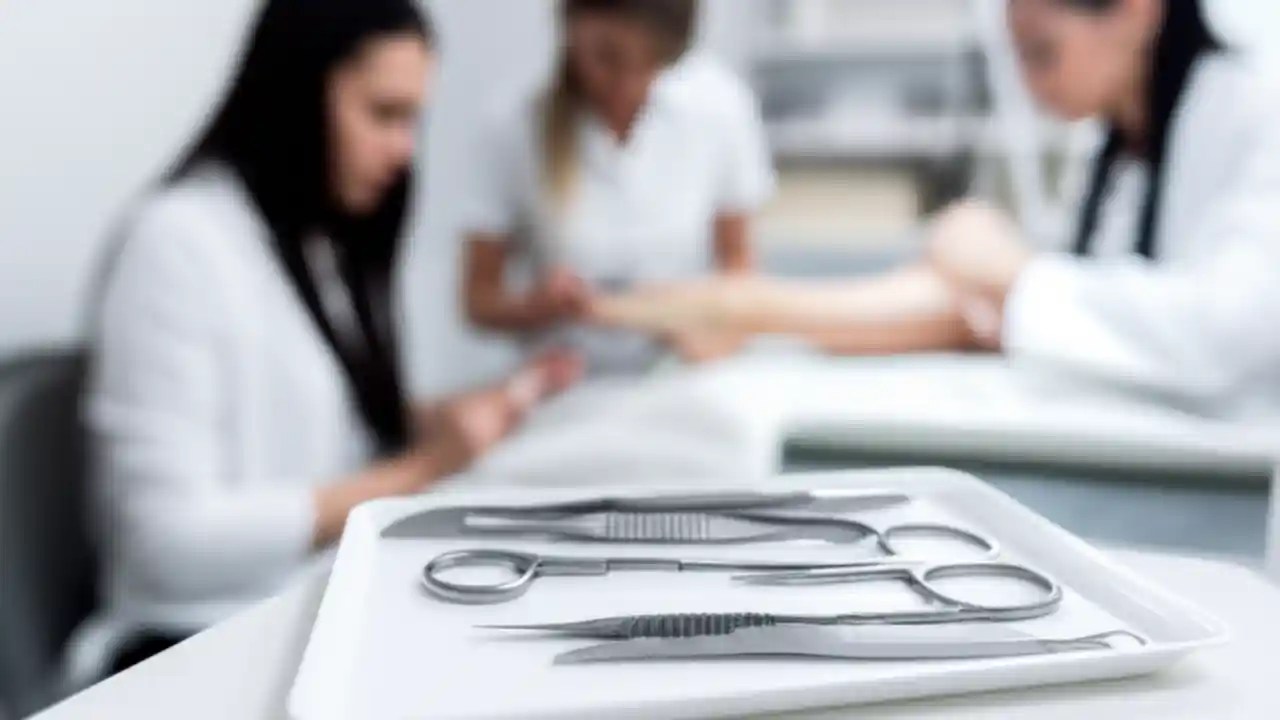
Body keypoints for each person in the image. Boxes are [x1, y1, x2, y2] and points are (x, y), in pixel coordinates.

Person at [74, 0, 582, 680]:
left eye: (413, 121)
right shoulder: (175, 244)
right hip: (193, 642)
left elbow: (326, 431)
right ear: (295, 95)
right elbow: (165, 543)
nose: (405, 151)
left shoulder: (317, 244)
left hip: (307, 612)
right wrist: (425, 465)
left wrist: (448, 421)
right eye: (383, 114)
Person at [591, 0, 1280, 418]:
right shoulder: (1120, 146)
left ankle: (741, 308)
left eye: (1044, 54)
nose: (1033, 86)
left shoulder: (1252, 116)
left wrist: (1013, 273)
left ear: (1135, 11)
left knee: (959, 275)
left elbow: (1223, 335)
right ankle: (739, 308)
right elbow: (1073, 309)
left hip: (1231, 442)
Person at [462, 0, 775, 374]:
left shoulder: (719, 106)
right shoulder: (516, 123)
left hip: (684, 374)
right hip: (564, 382)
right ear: (570, 27)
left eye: (650, 63)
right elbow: (479, 300)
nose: (626, 83)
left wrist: (708, 329)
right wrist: (538, 305)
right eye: (606, 57)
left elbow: (740, 270)